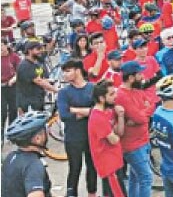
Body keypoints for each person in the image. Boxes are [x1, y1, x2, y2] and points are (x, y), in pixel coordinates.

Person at [56, 59, 97, 197]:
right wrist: (88, 112)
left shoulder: (92, 88)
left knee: (92, 167)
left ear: (78, 71)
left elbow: (98, 111)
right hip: (73, 137)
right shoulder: (64, 92)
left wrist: (75, 110)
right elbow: (64, 115)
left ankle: (92, 193)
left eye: (68, 71)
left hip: (91, 135)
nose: (64, 75)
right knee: (74, 168)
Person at [116, 61, 155, 197]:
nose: (143, 77)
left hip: (143, 141)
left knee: (135, 177)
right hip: (133, 146)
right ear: (131, 78)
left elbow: (151, 105)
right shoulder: (122, 95)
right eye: (139, 74)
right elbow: (140, 118)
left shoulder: (137, 90)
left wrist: (142, 113)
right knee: (146, 178)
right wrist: (143, 114)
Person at [88, 80, 126, 197]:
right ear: (101, 98)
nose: (115, 96)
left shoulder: (108, 111)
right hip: (109, 167)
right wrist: (115, 134)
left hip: (115, 162)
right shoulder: (98, 117)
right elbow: (114, 140)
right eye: (111, 94)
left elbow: (119, 132)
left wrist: (120, 116)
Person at [1, 110, 52, 197]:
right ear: (38, 138)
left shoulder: (10, 157)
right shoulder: (33, 165)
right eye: (45, 129)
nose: (48, 131)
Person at [16, 41, 57, 113]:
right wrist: (56, 90)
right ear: (29, 50)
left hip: (38, 100)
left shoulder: (35, 64)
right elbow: (39, 81)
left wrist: (49, 81)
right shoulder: (25, 65)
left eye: (41, 49)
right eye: (38, 49)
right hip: (29, 103)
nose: (40, 51)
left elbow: (39, 79)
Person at [1, 38, 20, 138]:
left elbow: (20, 71)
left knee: (13, 109)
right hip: (1, 88)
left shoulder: (14, 57)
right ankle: (1, 134)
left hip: (12, 86)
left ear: (6, 45)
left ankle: (12, 132)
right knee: (2, 112)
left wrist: (14, 79)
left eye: (1, 45)